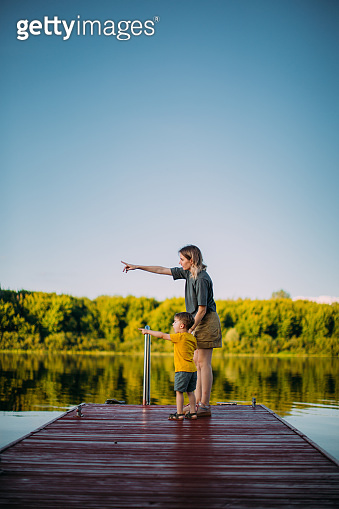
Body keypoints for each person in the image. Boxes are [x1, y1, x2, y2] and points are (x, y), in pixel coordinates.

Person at [122, 244, 222, 417]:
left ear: (192, 260)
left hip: (205, 321)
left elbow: (202, 310)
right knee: (196, 362)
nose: (180, 262)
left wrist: (189, 330)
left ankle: (204, 405)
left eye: (182, 259)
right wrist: (138, 267)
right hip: (195, 322)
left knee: (203, 363)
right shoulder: (186, 273)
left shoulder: (202, 278)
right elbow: (161, 270)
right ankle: (195, 404)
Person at [139, 312, 197, 421]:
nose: (172, 324)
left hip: (182, 369)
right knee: (191, 392)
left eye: (175, 322)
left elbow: (162, 335)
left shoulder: (179, 337)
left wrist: (148, 331)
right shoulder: (192, 338)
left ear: (182, 326)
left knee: (179, 392)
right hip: (192, 370)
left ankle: (179, 414)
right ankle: (193, 413)